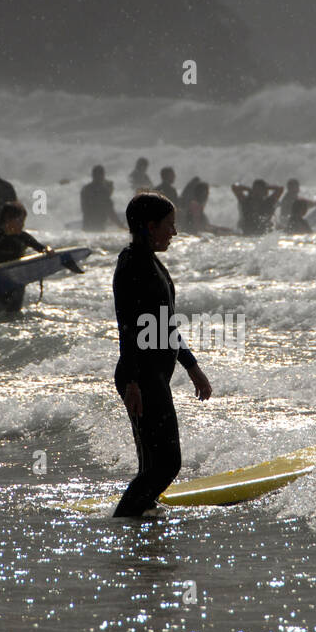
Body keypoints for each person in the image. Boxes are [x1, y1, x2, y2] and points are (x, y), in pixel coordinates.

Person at [112, 192, 212, 518]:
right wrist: (132, 381)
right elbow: (128, 327)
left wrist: (191, 367)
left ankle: (141, 530)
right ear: (150, 225)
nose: (175, 231)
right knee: (167, 465)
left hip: (152, 375)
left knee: (153, 465)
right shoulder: (132, 265)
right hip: (141, 376)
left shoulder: (150, 261)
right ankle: (123, 523)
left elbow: (164, 326)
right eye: (169, 225)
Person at [0, 201, 52, 318]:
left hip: (17, 282)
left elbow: (41, 247)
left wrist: (48, 250)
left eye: (23, 221)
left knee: (13, 314)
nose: (23, 225)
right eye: (20, 221)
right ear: (8, 219)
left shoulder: (23, 237)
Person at [80, 165, 119, 231]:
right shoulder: (102, 191)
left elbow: (85, 209)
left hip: (86, 226)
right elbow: (110, 212)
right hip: (98, 227)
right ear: (102, 175)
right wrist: (122, 226)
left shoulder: (86, 189)